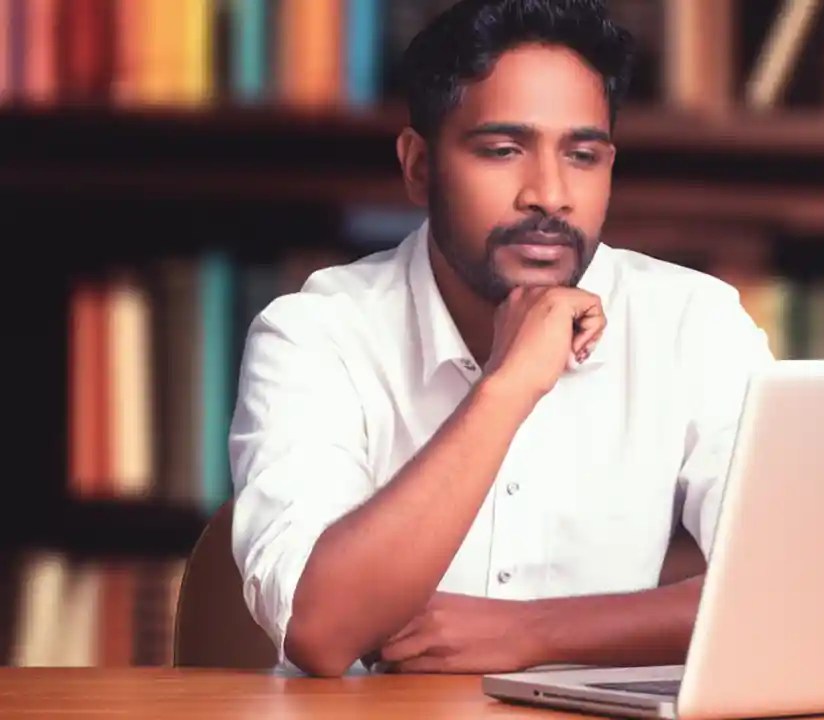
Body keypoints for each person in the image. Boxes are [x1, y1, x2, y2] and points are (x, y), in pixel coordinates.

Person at [228, 0, 774, 678]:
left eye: (582, 155)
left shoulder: (695, 323)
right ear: (420, 166)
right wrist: (507, 385)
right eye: (502, 150)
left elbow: (790, 590)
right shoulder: (316, 333)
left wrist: (536, 633)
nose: (549, 194)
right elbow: (322, 628)